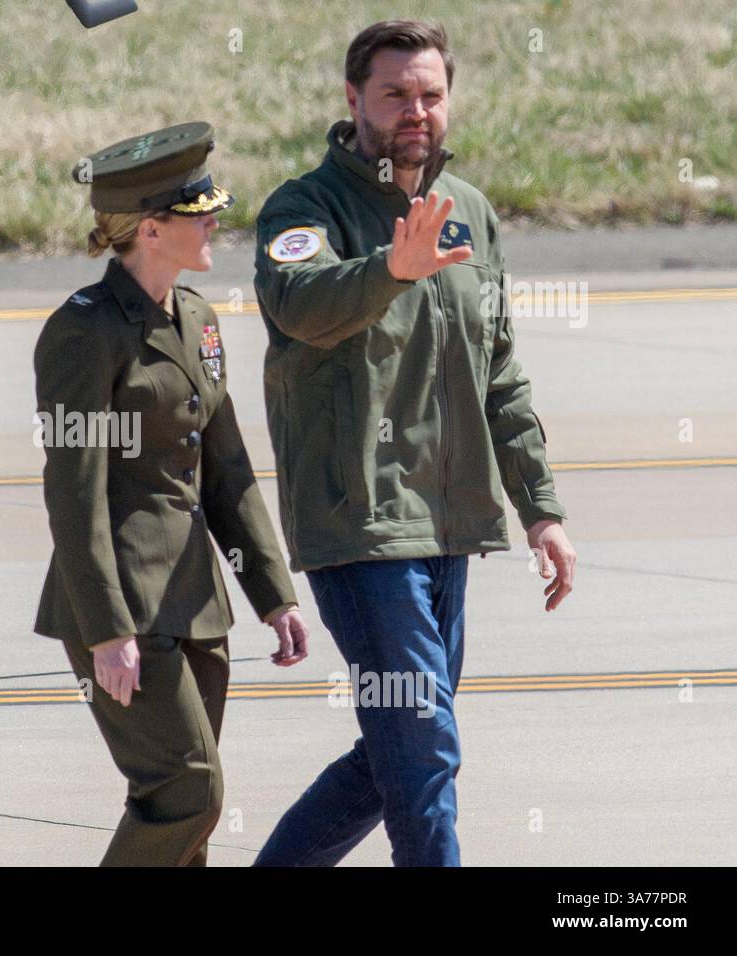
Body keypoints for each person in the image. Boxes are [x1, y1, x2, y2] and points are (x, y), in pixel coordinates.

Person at [251, 21, 578, 867]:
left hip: (451, 525)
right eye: (395, 93)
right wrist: (389, 270)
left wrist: (541, 508)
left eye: (430, 94)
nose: (416, 112)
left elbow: (499, 368)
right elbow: (302, 306)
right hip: (360, 528)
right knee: (424, 744)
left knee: (394, 752)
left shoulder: (469, 212)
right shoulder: (304, 208)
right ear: (353, 98)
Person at [33, 122, 310, 867]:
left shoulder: (198, 321)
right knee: (189, 790)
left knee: (181, 817)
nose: (216, 219)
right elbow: (74, 491)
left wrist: (272, 595)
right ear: (151, 229)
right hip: (124, 607)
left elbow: (226, 469)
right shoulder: (82, 334)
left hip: (196, 605)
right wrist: (104, 629)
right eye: (199, 211)